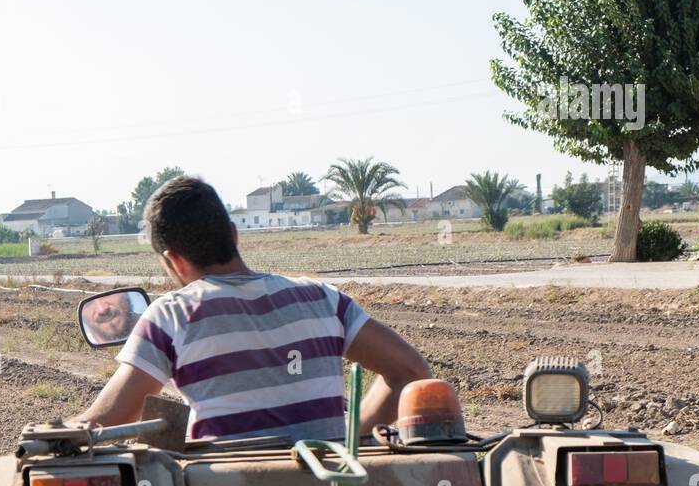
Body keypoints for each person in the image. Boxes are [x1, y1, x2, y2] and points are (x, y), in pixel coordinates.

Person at [68, 175, 431, 442]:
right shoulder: (324, 299)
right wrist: (352, 441)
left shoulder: (171, 315)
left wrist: (60, 432)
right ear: (233, 234)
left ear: (174, 262)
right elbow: (412, 371)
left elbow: (112, 419)